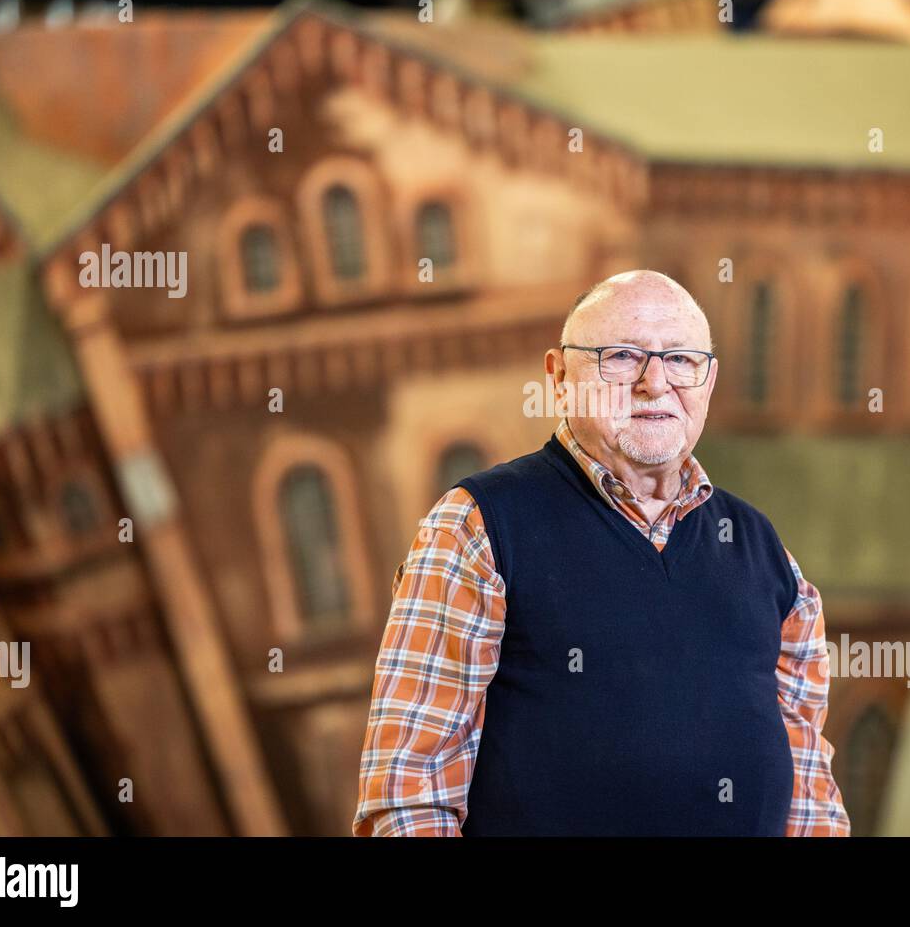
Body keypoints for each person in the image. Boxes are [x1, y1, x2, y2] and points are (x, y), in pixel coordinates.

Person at [353, 270, 849, 836]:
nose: (655, 383)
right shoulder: (478, 527)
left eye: (682, 359)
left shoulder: (766, 555)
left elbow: (811, 797)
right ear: (559, 376)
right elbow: (407, 795)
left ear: (709, 380)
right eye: (620, 356)